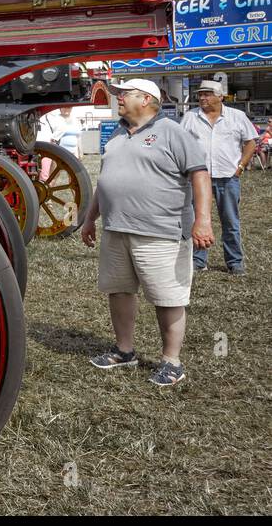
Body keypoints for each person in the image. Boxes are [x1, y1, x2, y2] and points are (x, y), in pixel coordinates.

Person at [80, 78, 213, 387]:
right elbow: (106, 180)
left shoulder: (174, 132)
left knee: (167, 297)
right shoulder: (116, 133)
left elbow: (200, 175)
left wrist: (203, 220)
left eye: (125, 94)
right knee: (120, 290)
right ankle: (124, 350)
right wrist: (90, 219)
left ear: (147, 100)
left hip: (161, 231)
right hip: (116, 229)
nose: (119, 99)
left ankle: (171, 362)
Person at [179, 79, 258, 276]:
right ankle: (198, 261)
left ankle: (234, 262)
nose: (202, 98)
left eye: (207, 94)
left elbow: (251, 143)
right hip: (197, 177)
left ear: (220, 96)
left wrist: (240, 167)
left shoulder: (237, 117)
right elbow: (180, 144)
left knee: (230, 221)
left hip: (227, 177)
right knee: (197, 220)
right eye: (200, 94)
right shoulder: (190, 117)